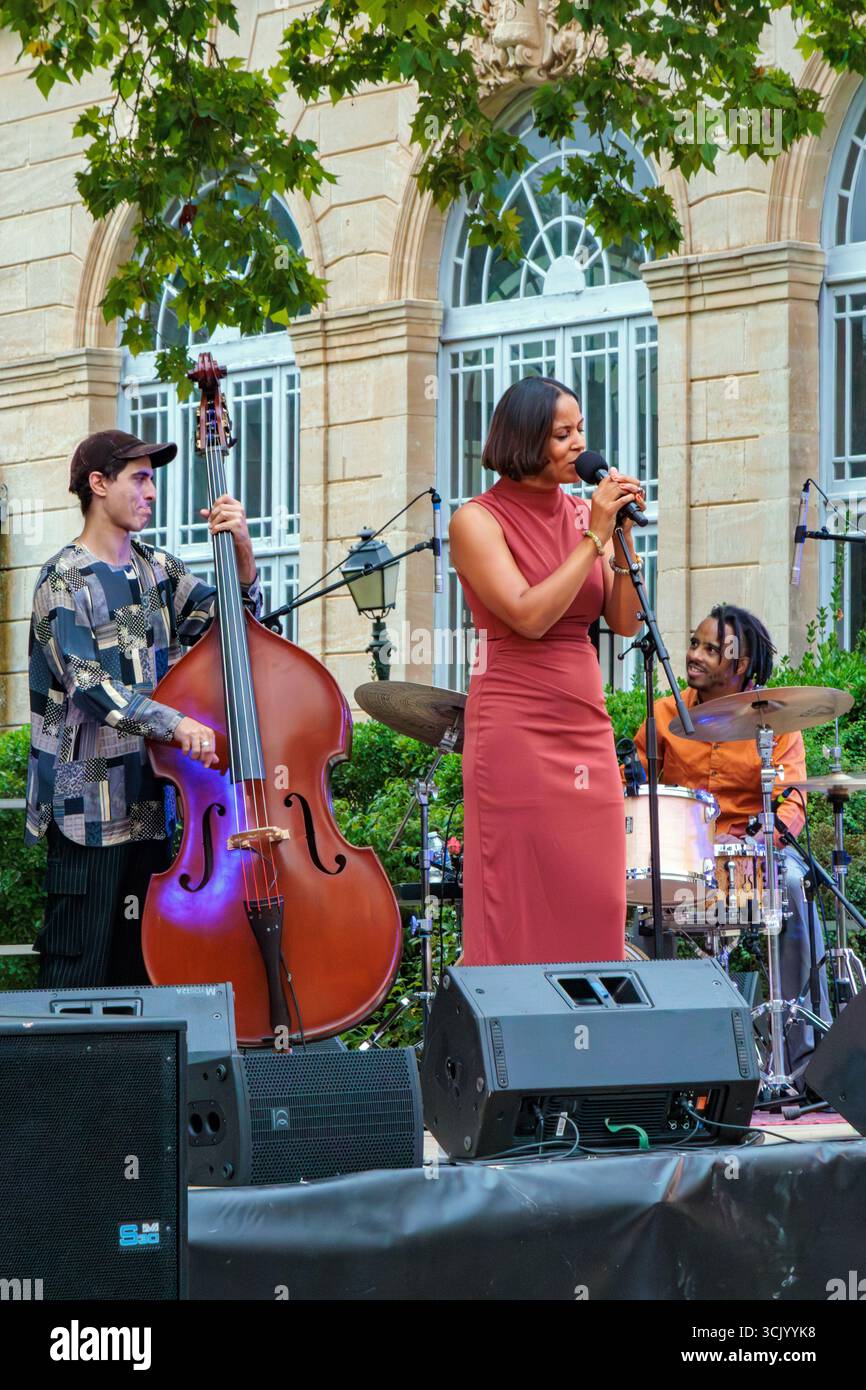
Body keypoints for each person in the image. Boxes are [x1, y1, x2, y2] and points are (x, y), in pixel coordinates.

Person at [26, 428, 261, 988]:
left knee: (143, 977)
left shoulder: (159, 571)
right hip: (86, 812)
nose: (151, 491)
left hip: (154, 805)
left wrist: (243, 555)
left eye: (152, 478)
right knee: (77, 978)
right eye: (140, 477)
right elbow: (88, 684)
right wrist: (173, 721)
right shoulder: (62, 579)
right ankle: (67, 1080)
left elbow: (234, 627)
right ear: (98, 484)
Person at [449, 375, 646, 965]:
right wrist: (593, 538)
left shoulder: (585, 516)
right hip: (515, 723)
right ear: (526, 440)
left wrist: (624, 546)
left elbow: (626, 622)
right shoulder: (476, 521)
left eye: (580, 429)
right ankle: (513, 1043)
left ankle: (591, 1044)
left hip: (583, 718)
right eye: (563, 434)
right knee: (518, 900)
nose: (579, 444)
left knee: (597, 895)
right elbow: (528, 617)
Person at [627, 604, 831, 1077]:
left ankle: (796, 1058)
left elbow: (792, 801)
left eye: (710, 649)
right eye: (694, 644)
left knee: (795, 882)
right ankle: (657, 1056)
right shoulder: (661, 715)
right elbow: (632, 787)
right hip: (683, 856)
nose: (693, 655)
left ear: (739, 664)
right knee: (639, 885)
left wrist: (769, 839)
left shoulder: (774, 720)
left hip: (752, 857)